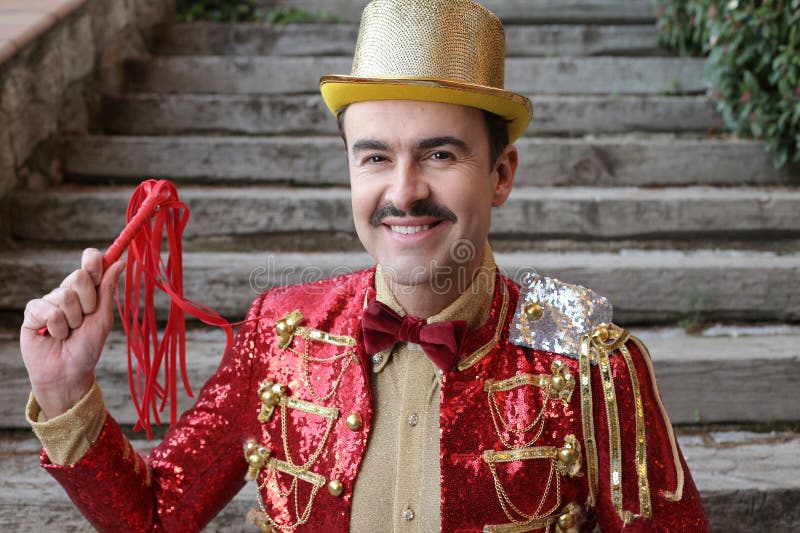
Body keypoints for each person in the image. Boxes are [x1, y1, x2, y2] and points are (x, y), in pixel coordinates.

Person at [19, 0, 710, 531]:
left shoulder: (588, 363)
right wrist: (65, 389)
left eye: (440, 155)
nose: (404, 190)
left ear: (501, 174)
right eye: (375, 156)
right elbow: (156, 515)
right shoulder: (279, 333)